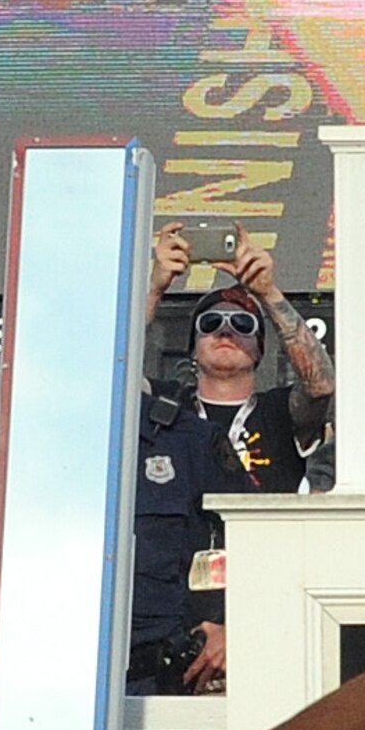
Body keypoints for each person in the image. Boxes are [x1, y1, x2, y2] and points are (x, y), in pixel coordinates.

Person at [128, 225, 335, 696]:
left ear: (260, 350)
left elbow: (321, 385)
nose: (226, 330)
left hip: (264, 611)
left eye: (243, 325)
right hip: (171, 627)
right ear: (192, 346)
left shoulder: (279, 412)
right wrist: (154, 286)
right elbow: (107, 375)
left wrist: (267, 292)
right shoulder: (165, 409)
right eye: (211, 324)